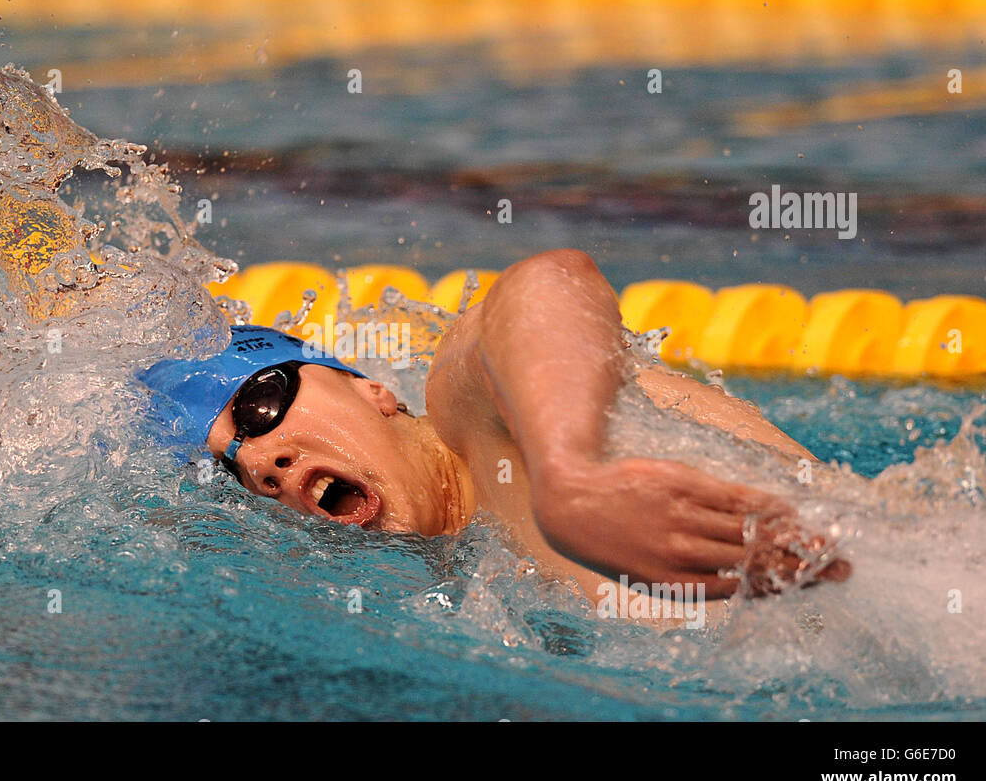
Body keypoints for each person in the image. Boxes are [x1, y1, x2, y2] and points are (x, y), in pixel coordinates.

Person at [140, 249, 848, 627]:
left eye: (262, 406)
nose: (262, 460)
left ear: (372, 389)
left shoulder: (479, 416)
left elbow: (549, 282)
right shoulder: (474, 568)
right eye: (235, 468)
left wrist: (573, 480)